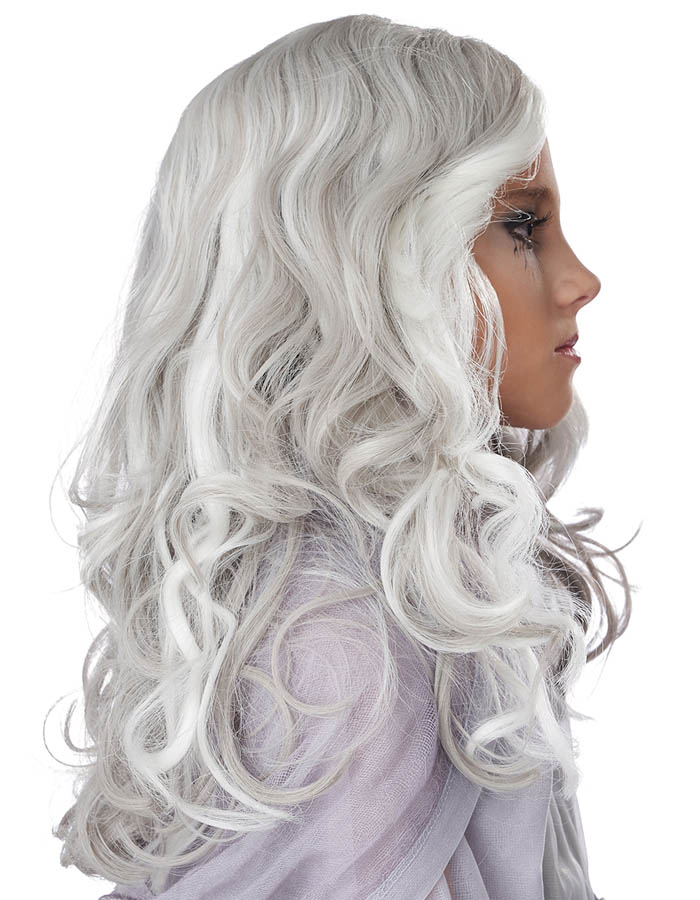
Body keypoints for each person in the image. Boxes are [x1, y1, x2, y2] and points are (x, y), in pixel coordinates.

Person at [49, 13, 636, 899]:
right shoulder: (345, 638)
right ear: (362, 265)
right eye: (521, 227)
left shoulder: (423, 582)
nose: (579, 280)